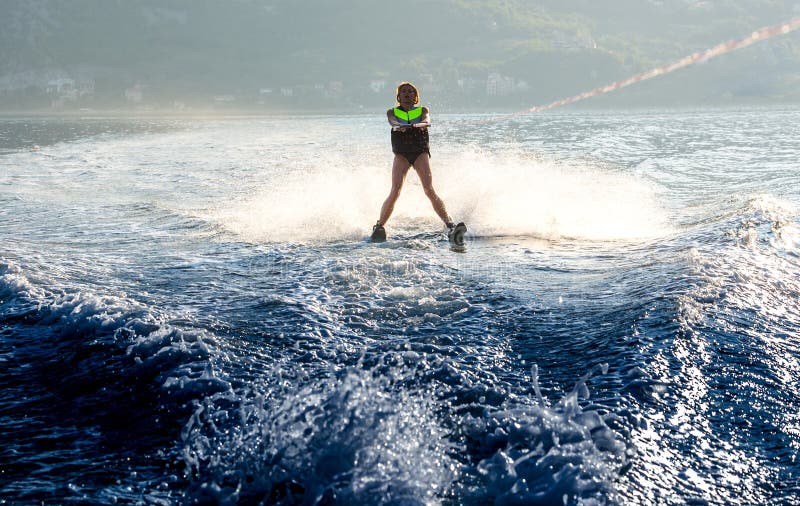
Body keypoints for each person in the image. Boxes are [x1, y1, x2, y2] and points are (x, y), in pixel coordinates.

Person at [371, 82, 464, 243]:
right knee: (396, 190)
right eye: (404, 92)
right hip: (401, 155)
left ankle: (450, 225)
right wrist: (400, 126)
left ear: (416, 97)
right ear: (398, 97)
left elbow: (427, 121)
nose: (407, 94)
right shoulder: (391, 112)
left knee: (429, 189)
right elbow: (393, 122)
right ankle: (379, 226)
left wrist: (420, 124)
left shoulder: (423, 110)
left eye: (411, 92)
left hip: (420, 153)